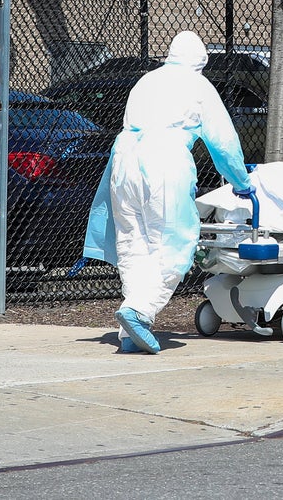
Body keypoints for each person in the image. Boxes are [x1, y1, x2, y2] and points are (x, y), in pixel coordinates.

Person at [84, 31, 254, 354]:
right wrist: (241, 183)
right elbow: (224, 143)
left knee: (133, 245)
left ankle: (128, 332)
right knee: (175, 244)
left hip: (122, 162)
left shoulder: (145, 82)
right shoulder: (198, 86)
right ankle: (139, 312)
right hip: (163, 162)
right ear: (200, 63)